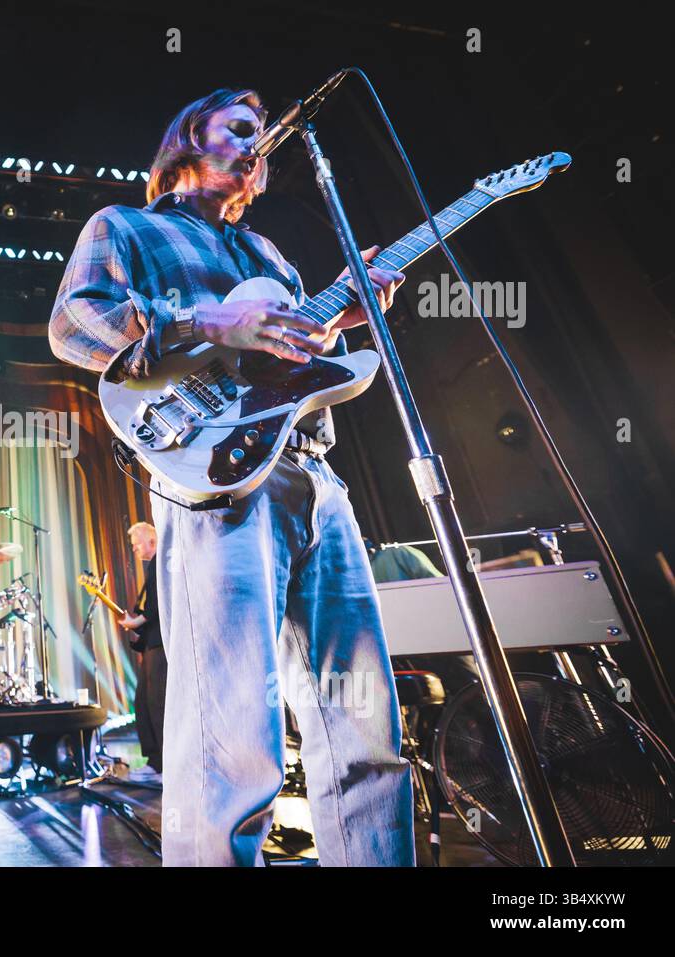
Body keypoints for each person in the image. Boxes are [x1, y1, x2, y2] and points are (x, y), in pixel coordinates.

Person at [49, 88, 414, 866]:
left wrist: (342, 317)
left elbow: (286, 362)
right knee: (231, 732)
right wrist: (202, 322)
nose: (259, 143)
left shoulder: (270, 258)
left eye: (265, 138)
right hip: (216, 481)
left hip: (314, 476)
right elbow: (75, 322)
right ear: (188, 140)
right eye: (241, 128)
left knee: (366, 723)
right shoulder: (127, 226)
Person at [117, 522, 167, 774]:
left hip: (160, 644)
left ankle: (163, 764)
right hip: (152, 643)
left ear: (152, 541)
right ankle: (154, 761)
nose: (135, 550)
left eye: (138, 544)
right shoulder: (153, 567)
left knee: (157, 703)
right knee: (144, 702)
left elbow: (158, 606)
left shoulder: (160, 564)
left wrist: (136, 620)